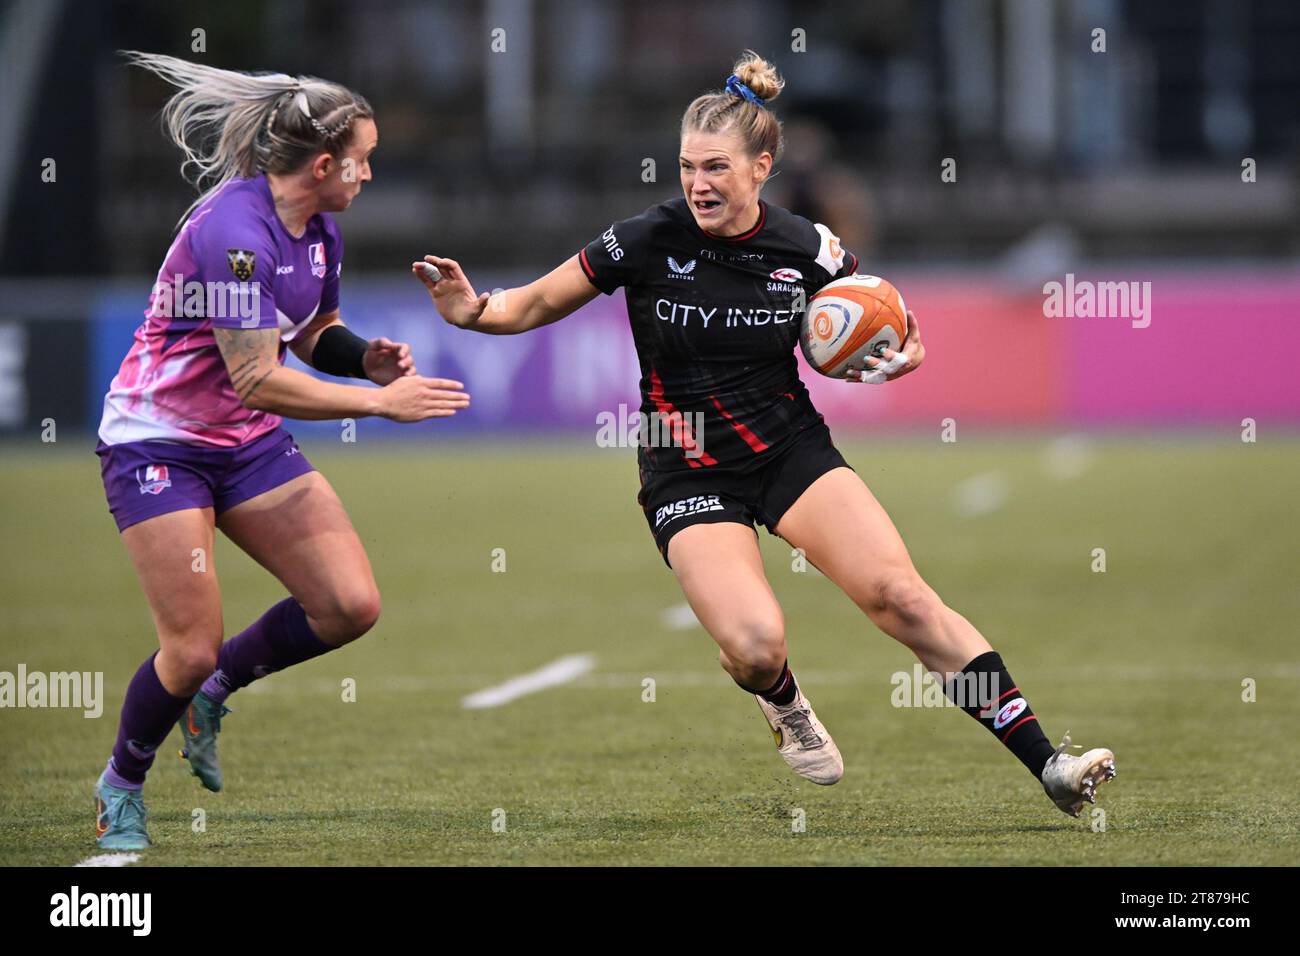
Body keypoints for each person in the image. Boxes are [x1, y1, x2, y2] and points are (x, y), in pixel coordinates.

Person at [412, 51, 1114, 818]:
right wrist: (472, 309)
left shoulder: (808, 248)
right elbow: (532, 305)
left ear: (762, 167)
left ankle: (1049, 763)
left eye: (716, 167)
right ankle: (782, 702)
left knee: (904, 599)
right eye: (686, 167)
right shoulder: (645, 240)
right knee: (753, 647)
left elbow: (882, 314)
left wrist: (902, 352)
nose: (698, 183)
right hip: (686, 470)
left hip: (789, 451)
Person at [93, 53, 470, 850]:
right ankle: (122, 782)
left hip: (245, 443)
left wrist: (363, 356)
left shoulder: (319, 226)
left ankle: (215, 692)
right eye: (362, 159)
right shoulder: (233, 233)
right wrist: (380, 404)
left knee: (348, 606)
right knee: (187, 647)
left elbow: (308, 333)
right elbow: (258, 377)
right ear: (325, 163)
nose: (368, 174)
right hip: (161, 442)